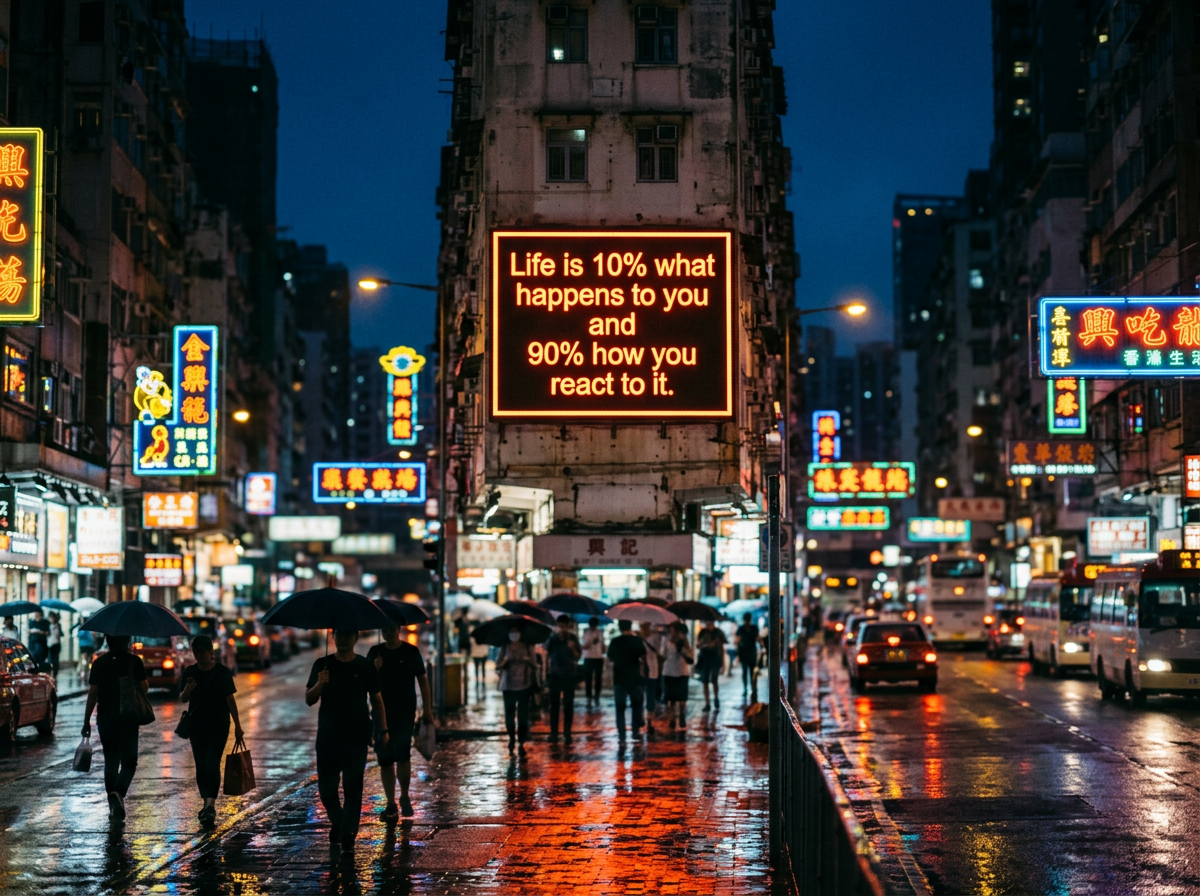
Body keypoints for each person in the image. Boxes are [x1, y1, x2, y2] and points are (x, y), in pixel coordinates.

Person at [305, 630, 389, 850]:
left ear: (355, 638)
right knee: (327, 790)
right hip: (328, 736)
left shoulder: (365, 666)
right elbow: (309, 699)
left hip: (356, 736)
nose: (343, 639)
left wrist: (382, 729)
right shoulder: (322, 665)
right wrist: (320, 683)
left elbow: (377, 699)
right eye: (339, 634)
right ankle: (340, 822)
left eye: (347, 635)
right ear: (333, 637)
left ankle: (349, 834)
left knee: (353, 788)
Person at [366, 625, 433, 820]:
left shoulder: (410, 652)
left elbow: (423, 681)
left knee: (403, 755)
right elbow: (365, 683)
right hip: (381, 714)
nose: (387, 633)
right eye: (384, 629)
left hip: (405, 712)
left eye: (391, 629)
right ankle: (390, 802)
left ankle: (404, 795)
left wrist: (427, 710)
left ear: (398, 629)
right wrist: (374, 669)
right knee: (385, 759)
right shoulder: (375, 652)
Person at [81, 635, 147, 821]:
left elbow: (93, 693)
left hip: (106, 718)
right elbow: (144, 688)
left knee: (111, 760)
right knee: (129, 762)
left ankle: (113, 805)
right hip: (128, 718)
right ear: (126, 642)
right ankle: (118, 792)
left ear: (108, 642)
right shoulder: (134, 662)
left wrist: (86, 721)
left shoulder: (99, 663)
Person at [180, 635, 243, 826]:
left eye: (202, 652)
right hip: (196, 725)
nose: (199, 656)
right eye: (196, 652)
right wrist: (189, 688)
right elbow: (183, 698)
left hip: (218, 725)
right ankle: (205, 802)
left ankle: (210, 804)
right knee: (201, 764)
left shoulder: (222, 672)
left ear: (211, 652)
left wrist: (238, 726)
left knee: (212, 762)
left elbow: (230, 700)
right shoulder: (190, 672)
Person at [496, 624, 538, 754]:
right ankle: (511, 739)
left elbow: (535, 665)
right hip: (508, 686)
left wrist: (528, 660)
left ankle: (521, 742)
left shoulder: (528, 646)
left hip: (524, 685)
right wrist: (504, 661)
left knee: (523, 716)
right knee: (509, 714)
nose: (514, 634)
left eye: (516, 631)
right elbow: (497, 665)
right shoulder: (505, 646)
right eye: (512, 631)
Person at [606, 619, 646, 742]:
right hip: (634, 677)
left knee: (620, 708)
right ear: (630, 626)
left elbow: (610, 658)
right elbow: (643, 657)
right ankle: (635, 731)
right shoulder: (637, 640)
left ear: (619, 627)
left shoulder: (615, 641)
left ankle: (622, 734)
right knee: (636, 706)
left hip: (619, 678)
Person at [544, 615, 581, 744]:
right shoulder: (553, 638)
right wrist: (546, 673)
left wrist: (572, 648)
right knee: (554, 706)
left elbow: (577, 656)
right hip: (555, 675)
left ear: (568, 626)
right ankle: (554, 733)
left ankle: (567, 733)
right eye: (561, 625)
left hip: (569, 675)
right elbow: (548, 655)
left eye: (565, 625)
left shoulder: (573, 638)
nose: (563, 628)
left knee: (568, 705)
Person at [661, 622, 694, 729]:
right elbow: (663, 654)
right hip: (669, 671)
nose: (672, 632)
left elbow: (690, 657)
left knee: (682, 698)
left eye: (673, 630)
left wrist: (682, 648)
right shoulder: (666, 640)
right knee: (671, 698)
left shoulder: (685, 642)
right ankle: (672, 717)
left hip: (682, 672)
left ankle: (682, 715)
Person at [695, 620, 727, 710]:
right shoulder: (702, 632)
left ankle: (716, 698)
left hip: (715, 659)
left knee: (714, 680)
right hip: (705, 659)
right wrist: (701, 644)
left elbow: (721, 647)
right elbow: (698, 645)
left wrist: (722, 662)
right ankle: (707, 703)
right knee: (705, 681)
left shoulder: (718, 632)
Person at [639, 622, 663, 724]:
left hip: (650, 668)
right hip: (642, 668)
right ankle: (644, 715)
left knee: (649, 692)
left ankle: (649, 715)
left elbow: (658, 650)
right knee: (644, 692)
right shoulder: (639, 638)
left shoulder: (655, 637)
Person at [736, 613, 761, 701]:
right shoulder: (741, 628)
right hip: (744, 654)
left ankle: (753, 688)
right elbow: (737, 640)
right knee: (745, 672)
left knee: (752, 673)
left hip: (751, 653)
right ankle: (746, 688)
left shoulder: (754, 628)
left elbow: (758, 638)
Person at [581, 617, 605, 704]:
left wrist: (603, 649)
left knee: (598, 678)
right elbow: (584, 646)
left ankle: (597, 695)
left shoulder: (600, 633)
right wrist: (591, 641)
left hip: (598, 657)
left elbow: (602, 645)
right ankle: (589, 696)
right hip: (588, 657)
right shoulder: (586, 633)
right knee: (588, 678)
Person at [469, 626, 490, 696]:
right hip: (483, 654)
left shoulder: (473, 636)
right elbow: (486, 645)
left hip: (476, 654)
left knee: (476, 668)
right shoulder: (484, 635)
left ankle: (477, 680)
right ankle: (483, 679)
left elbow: (471, 644)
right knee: (483, 667)